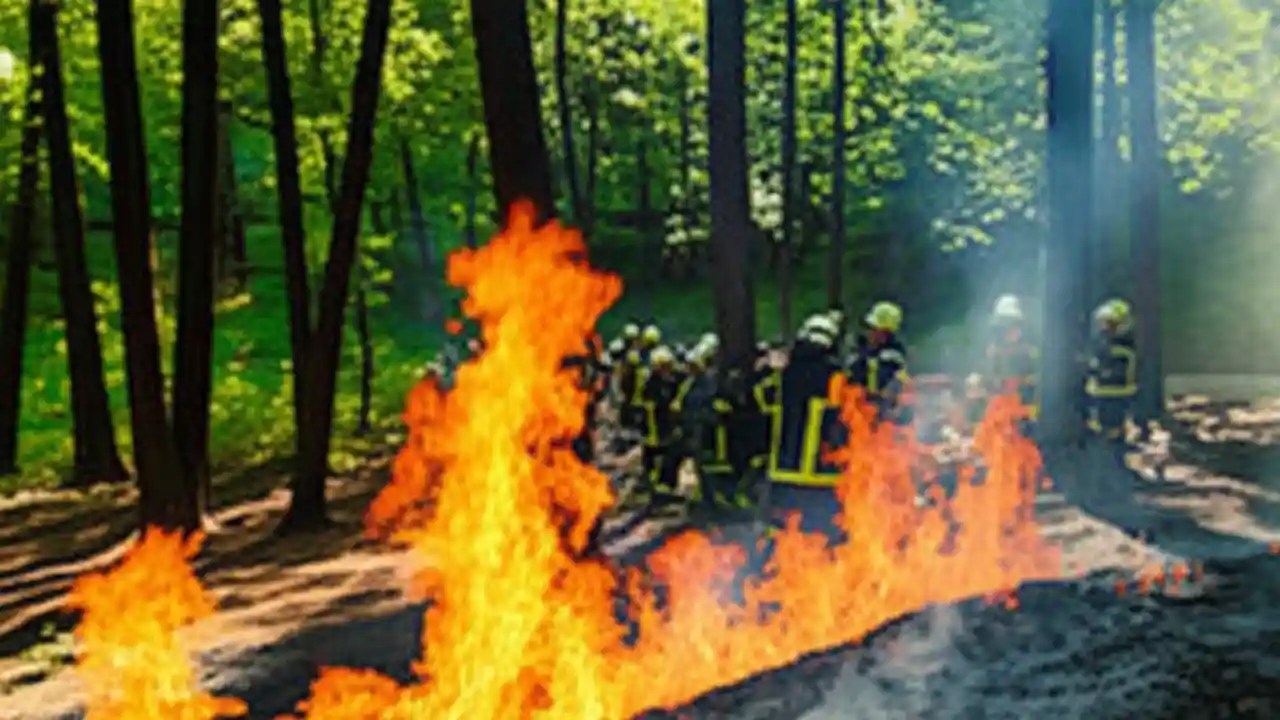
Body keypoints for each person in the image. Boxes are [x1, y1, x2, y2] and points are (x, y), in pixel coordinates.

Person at [755, 313, 847, 541]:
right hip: (822, 474)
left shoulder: (783, 374)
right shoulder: (835, 375)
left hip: (784, 470)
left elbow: (762, 400)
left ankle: (768, 572)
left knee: (780, 532)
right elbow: (845, 415)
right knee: (825, 534)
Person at [981, 294, 1040, 431]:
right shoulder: (994, 349)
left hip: (1022, 403)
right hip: (1002, 405)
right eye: (1002, 324)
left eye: (1009, 324)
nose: (1006, 330)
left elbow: (1033, 375)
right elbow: (992, 376)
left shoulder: (1028, 349)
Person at [1086, 298, 1137, 452]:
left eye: (1110, 324)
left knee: (1113, 427)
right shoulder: (1101, 345)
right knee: (1099, 424)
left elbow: (1110, 369)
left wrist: (1096, 364)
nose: (1105, 328)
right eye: (1103, 323)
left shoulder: (1123, 349)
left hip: (1117, 394)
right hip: (1100, 394)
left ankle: (1114, 444)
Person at [847, 301, 910, 424]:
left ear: (885, 332)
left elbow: (888, 388)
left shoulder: (892, 357)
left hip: (879, 419)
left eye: (873, 328)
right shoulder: (862, 350)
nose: (869, 332)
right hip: (856, 414)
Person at [637, 345, 683, 502]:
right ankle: (655, 490)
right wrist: (653, 434)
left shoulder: (671, 382)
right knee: (655, 459)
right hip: (654, 429)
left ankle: (665, 488)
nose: (668, 369)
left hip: (666, 428)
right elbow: (650, 410)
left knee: (670, 458)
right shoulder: (651, 385)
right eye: (665, 366)